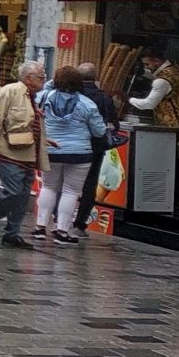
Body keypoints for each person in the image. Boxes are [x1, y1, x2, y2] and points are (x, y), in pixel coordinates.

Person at [0, 60, 49, 248]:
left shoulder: (33, 97)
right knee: (14, 193)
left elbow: (26, 125)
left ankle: (12, 233)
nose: (44, 80)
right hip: (10, 153)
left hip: (30, 155)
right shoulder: (9, 91)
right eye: (40, 77)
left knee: (24, 196)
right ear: (28, 78)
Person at [34, 64, 106, 245]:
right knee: (71, 191)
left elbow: (42, 95)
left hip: (50, 150)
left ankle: (40, 227)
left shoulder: (44, 97)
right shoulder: (87, 103)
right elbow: (99, 132)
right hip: (79, 153)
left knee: (49, 187)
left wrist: (56, 81)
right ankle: (62, 231)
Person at [74, 62, 119, 234]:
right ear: (96, 77)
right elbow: (113, 123)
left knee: (66, 185)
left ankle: (58, 220)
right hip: (95, 147)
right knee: (89, 185)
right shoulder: (103, 97)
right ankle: (79, 223)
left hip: (70, 147)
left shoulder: (69, 95)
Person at [129, 49, 179, 130]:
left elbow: (149, 104)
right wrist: (142, 73)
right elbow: (156, 75)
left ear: (156, 61)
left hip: (173, 126)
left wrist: (130, 100)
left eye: (147, 64)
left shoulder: (161, 81)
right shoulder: (175, 70)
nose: (146, 67)